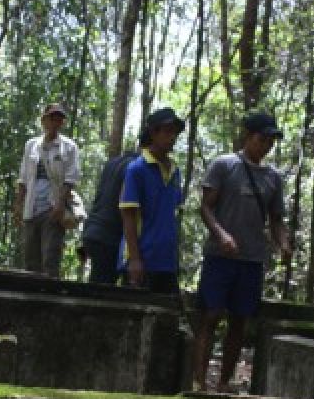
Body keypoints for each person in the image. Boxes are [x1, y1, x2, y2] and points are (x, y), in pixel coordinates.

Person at [191, 112, 292, 392]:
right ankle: (199, 382)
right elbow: (206, 207)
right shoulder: (224, 165)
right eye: (262, 139)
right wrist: (221, 234)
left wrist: (283, 244)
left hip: (251, 259)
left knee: (239, 321)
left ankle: (224, 382)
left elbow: (276, 219)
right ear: (248, 136)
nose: (266, 146)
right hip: (219, 256)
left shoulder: (273, 178)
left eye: (271, 141)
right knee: (210, 316)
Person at [119, 108, 186, 293]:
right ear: (153, 133)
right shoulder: (137, 169)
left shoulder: (175, 171)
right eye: (167, 131)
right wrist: (134, 259)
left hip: (167, 262)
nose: (172, 137)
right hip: (142, 260)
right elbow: (128, 216)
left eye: (175, 132)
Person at [13, 103, 81, 278]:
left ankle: (50, 293)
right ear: (44, 120)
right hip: (31, 208)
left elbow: (71, 179)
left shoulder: (69, 147)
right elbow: (23, 177)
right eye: (52, 118)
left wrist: (60, 205)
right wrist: (18, 205)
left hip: (52, 209)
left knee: (50, 259)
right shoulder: (31, 145)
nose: (56, 122)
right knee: (30, 261)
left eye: (59, 119)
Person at [81, 145, 140, 284]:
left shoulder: (111, 163)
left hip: (92, 231)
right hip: (108, 237)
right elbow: (125, 205)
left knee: (98, 281)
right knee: (103, 287)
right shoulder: (135, 167)